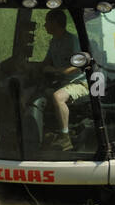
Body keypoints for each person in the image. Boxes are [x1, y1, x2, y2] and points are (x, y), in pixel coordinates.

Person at [33, 8, 88, 150]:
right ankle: (42, 133)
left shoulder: (72, 41)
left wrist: (58, 71)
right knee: (34, 93)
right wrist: (28, 67)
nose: (45, 25)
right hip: (63, 83)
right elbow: (47, 62)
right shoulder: (54, 42)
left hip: (80, 83)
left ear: (55, 23)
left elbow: (79, 65)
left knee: (58, 97)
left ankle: (65, 138)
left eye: (47, 22)